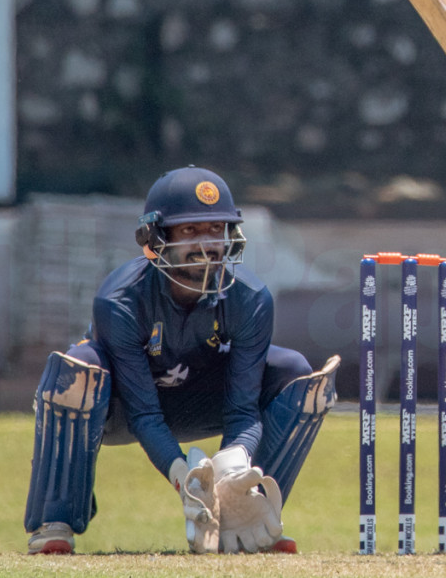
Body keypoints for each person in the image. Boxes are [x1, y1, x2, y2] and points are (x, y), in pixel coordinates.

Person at [24, 166, 339, 555]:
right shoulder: (120, 300)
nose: (207, 244)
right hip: (119, 407)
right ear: (156, 239)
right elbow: (144, 415)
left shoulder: (250, 299)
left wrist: (234, 466)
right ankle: (54, 520)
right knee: (77, 369)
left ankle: (250, 515)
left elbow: (242, 410)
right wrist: (184, 479)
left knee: (294, 373)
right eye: (190, 231)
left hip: (199, 400)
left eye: (216, 229)